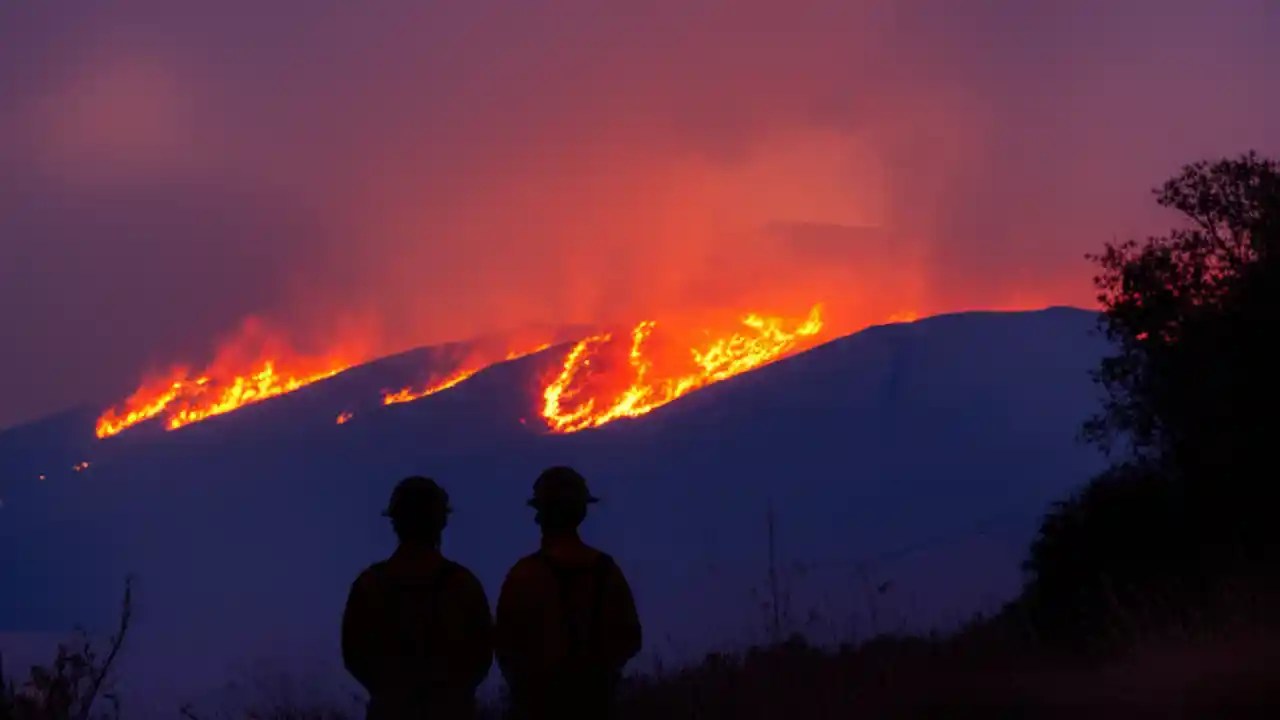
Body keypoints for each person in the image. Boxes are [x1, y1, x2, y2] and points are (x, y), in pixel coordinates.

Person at [495, 466, 642, 719]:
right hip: (597, 705)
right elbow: (630, 639)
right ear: (581, 512)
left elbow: (505, 648)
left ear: (541, 515)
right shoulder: (606, 571)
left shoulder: (523, 576)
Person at [342, 476, 493, 720]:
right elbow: (481, 656)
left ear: (395, 523)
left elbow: (354, 657)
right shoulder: (463, 584)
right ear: (440, 523)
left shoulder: (369, 585)